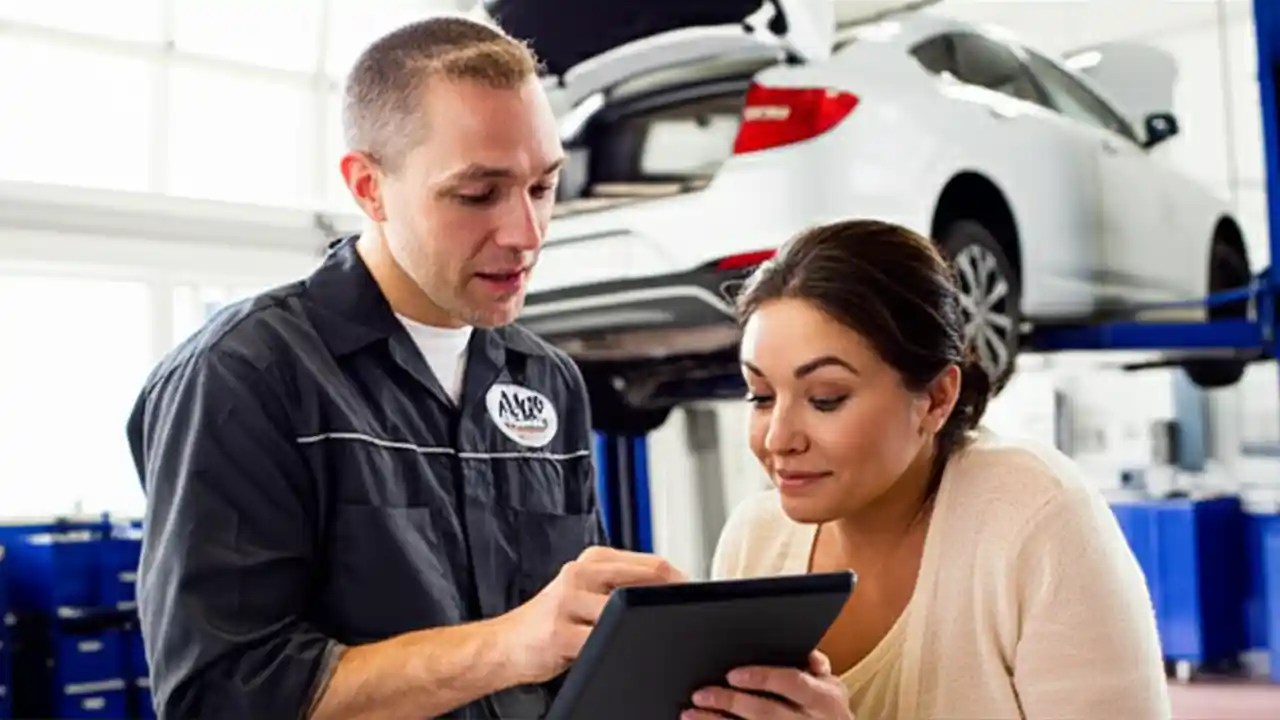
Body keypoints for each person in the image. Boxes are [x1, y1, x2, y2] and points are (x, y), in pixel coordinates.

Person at [125, 16, 683, 720]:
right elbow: (221, 694)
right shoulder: (243, 377)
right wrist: (509, 645)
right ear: (368, 187)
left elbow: (569, 669)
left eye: (543, 187)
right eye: (478, 194)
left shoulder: (546, 382)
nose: (526, 234)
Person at [685, 219, 1169, 720]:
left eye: (826, 399)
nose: (777, 438)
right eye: (760, 396)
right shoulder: (754, 542)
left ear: (936, 398)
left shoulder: (1033, 517)